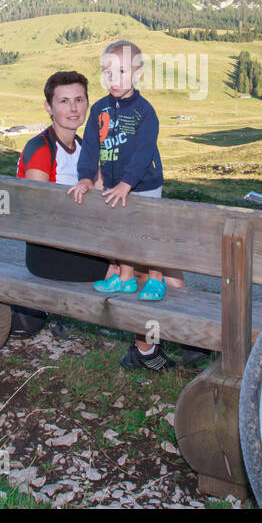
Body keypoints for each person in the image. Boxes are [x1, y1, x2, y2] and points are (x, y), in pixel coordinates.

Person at [68, 40, 189, 370]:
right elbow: (90, 147)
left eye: (121, 71)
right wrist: (86, 178)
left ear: (137, 73)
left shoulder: (144, 111)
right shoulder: (100, 110)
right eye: (107, 72)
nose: (113, 78)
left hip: (143, 183)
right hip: (113, 186)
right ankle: (123, 275)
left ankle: (155, 277)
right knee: (120, 232)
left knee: (146, 233)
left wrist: (126, 183)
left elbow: (144, 151)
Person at [12, 70, 111, 335]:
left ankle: (174, 344)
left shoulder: (84, 149)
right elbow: (37, 211)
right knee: (136, 270)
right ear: (49, 107)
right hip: (50, 254)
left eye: (79, 100)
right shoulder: (41, 149)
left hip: (79, 244)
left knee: (152, 267)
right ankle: (154, 346)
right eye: (64, 101)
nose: (73, 108)